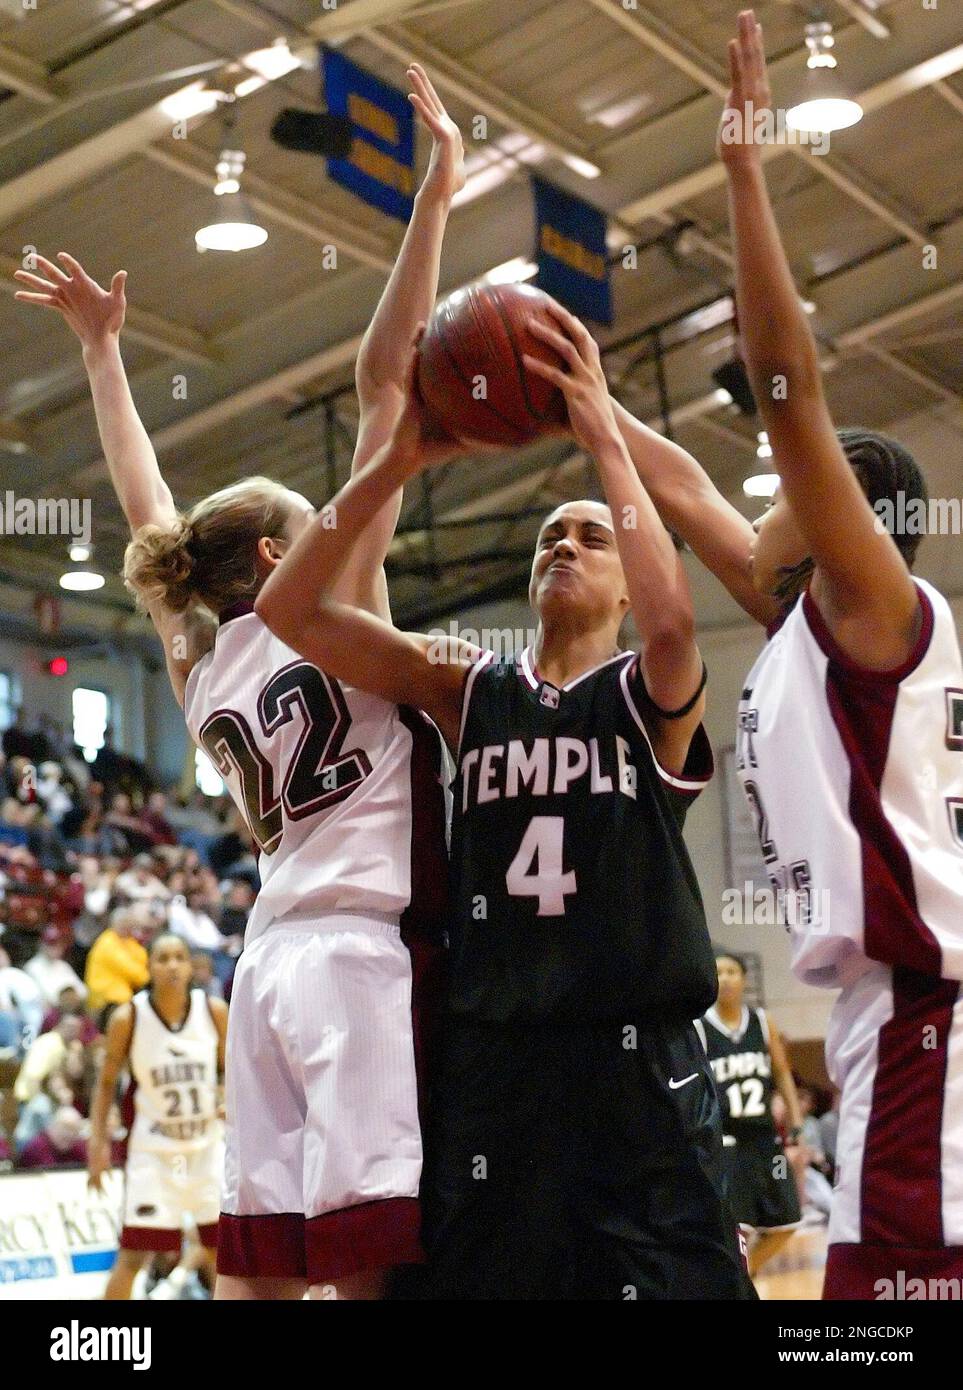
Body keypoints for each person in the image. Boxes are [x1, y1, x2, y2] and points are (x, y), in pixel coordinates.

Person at [17, 65, 463, 1303]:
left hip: (259, 968)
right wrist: (435, 198)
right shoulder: (321, 606)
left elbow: (145, 510)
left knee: (260, 1272)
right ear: (282, 553)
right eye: (305, 515)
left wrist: (105, 357)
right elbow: (388, 388)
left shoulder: (204, 651)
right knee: (371, 1262)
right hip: (360, 955)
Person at [255, 311, 749, 1299]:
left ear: (625, 588)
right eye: (550, 535)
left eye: (592, 536)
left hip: (639, 1062)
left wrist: (602, 430)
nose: (565, 543)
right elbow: (289, 612)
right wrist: (396, 461)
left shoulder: (648, 696)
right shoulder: (469, 684)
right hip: (501, 1069)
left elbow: (678, 619)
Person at [608, 11, 963, 1298]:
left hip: (930, 1022)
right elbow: (695, 489)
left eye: (785, 489)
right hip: (901, 1023)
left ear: (832, 517)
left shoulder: (879, 604)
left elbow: (784, 386)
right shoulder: (821, 631)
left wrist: (745, 171)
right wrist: (591, 402)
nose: (756, 501)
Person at [88, 934, 227, 1300]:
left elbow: (232, 1070)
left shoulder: (213, 1012)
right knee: (133, 1256)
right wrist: (97, 1146)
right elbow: (105, 1086)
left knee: (223, 1258)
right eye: (162, 958)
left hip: (208, 1152)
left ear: (190, 965)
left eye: (179, 957)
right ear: (148, 967)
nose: (172, 966)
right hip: (153, 1154)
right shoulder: (128, 1017)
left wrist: (228, 1097)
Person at [698, 951, 802, 1279]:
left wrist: (796, 1120)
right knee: (736, 1228)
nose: (725, 978)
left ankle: (745, 1279)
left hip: (764, 1138)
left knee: (787, 1222)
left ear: (743, 979)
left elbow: (782, 1073)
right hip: (726, 1142)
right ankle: (737, 1285)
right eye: (719, 972)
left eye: (732, 971)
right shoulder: (699, 1027)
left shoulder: (761, 1021)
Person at [84, 903, 153, 1026]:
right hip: (105, 999)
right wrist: (149, 976)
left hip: (122, 993)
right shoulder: (107, 943)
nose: (129, 928)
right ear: (116, 924)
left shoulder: (127, 941)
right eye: (126, 924)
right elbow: (136, 974)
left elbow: (143, 957)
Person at [24, 924, 88, 1008]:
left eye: (58, 944)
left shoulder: (63, 965)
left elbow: (84, 992)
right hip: (48, 1014)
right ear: (42, 945)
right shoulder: (32, 967)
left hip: (70, 1009)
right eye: (51, 944)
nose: (56, 948)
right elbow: (51, 998)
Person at [18, 1105, 87, 1168]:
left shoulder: (79, 1146)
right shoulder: (36, 1147)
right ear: (53, 1126)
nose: (69, 1134)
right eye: (66, 1127)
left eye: (74, 1130)